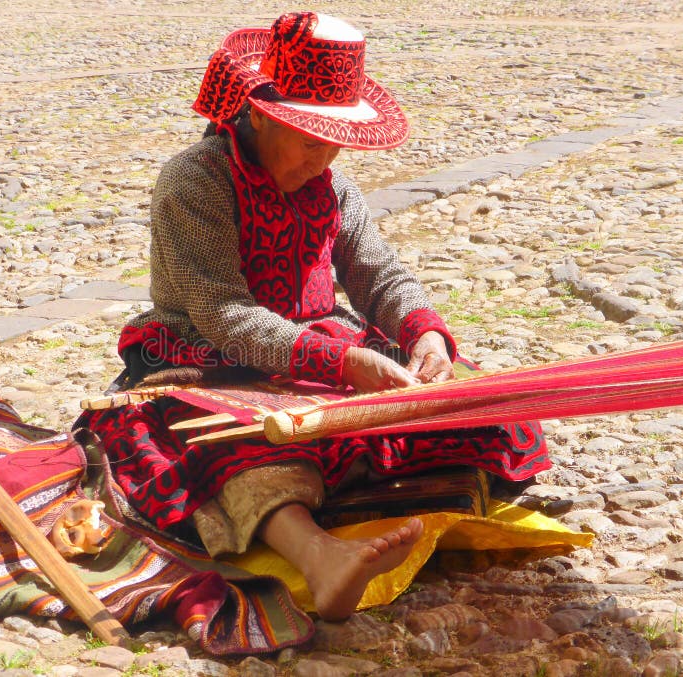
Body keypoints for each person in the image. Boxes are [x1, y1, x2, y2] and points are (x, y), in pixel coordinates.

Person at [79, 11, 550, 622]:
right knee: (235, 448)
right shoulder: (194, 183)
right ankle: (320, 554)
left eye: (334, 141)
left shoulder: (333, 190)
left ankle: (356, 488)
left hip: (323, 358)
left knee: (491, 414)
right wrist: (338, 361)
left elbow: (378, 274)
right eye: (309, 139)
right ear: (261, 116)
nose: (323, 157)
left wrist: (424, 332)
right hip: (206, 362)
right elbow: (224, 314)